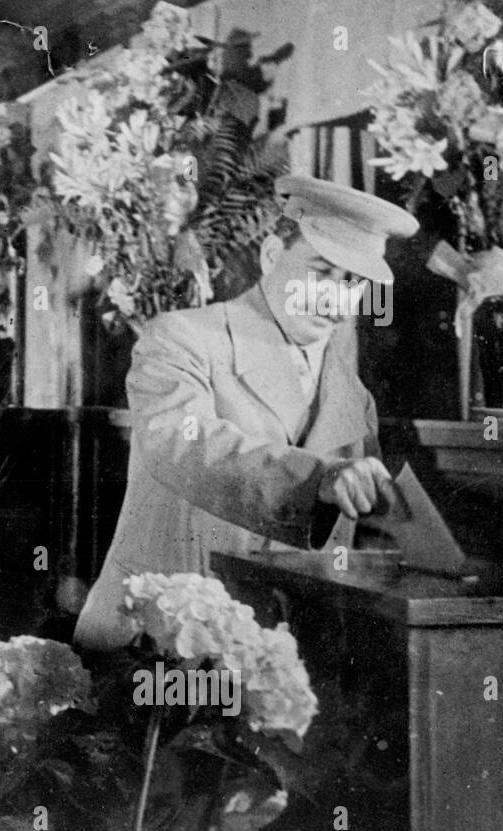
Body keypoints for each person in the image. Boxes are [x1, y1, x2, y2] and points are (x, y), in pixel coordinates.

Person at [75, 175, 420, 649]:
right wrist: (316, 477)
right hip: (156, 639)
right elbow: (183, 443)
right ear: (272, 255)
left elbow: (359, 540)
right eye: (321, 272)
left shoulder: (353, 397)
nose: (336, 299)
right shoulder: (182, 337)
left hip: (276, 656)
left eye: (354, 283)